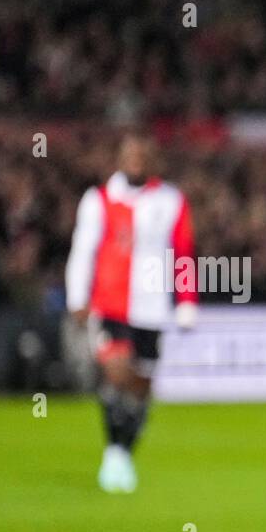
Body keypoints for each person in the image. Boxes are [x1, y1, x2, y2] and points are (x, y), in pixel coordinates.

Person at [65, 133, 198, 493]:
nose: (136, 159)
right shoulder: (99, 200)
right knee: (116, 374)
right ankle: (113, 452)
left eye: (143, 153)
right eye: (130, 153)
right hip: (110, 303)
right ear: (120, 158)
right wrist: (77, 296)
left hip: (153, 308)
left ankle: (123, 451)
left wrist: (187, 301)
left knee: (141, 388)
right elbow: (83, 249)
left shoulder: (171, 200)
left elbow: (183, 252)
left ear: (152, 158)